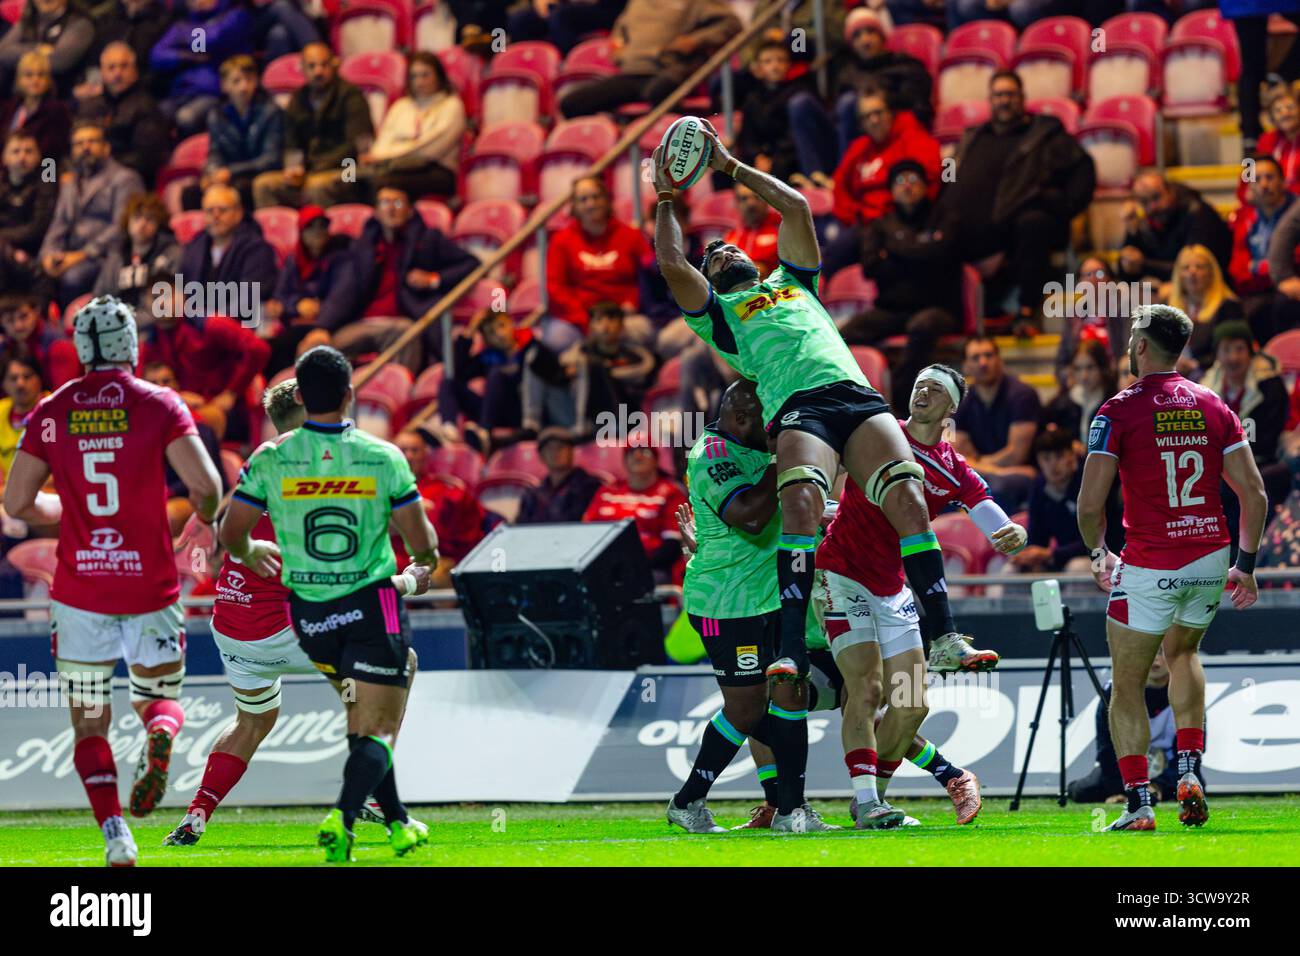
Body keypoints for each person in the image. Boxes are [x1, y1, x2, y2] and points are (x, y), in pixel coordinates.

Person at [652, 123, 974, 797]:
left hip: (853, 394)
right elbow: (673, 265)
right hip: (799, 408)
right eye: (717, 255)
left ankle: (944, 635)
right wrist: (666, 199)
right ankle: (794, 662)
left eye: (732, 243)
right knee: (800, 504)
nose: (726, 249)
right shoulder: (721, 314)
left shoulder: (794, 281)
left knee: (909, 499)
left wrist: (730, 164)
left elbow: (796, 208)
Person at [2, 294, 221, 867]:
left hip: (82, 591)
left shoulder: (52, 409)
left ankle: (116, 837)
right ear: (134, 347)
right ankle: (160, 733)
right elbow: (208, 488)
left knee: (89, 719)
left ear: (79, 348)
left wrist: (70, 509)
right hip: (148, 584)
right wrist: (200, 520)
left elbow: (18, 502)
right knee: (158, 697)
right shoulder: (161, 404)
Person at [166, 380, 429, 848]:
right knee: (393, 668)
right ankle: (368, 797)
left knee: (253, 719)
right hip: (289, 626)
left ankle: (196, 817)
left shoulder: (259, 466)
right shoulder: (328, 473)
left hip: (232, 623)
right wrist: (409, 581)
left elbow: (230, 534)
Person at [1077, 303, 1268, 831]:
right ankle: (1189, 771)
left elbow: (1090, 506)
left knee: (1128, 683)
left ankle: (1139, 803)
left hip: (1149, 563)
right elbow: (1254, 494)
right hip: (1211, 554)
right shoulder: (1215, 406)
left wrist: (1099, 554)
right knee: (1183, 654)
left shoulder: (1117, 411)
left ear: (1140, 346)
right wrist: (1245, 566)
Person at [817, 365, 1018, 823]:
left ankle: (875, 799)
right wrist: (823, 501)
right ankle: (865, 800)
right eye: (919, 384)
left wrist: (1009, 532)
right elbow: (828, 458)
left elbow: (987, 511)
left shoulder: (952, 467)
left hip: (893, 588)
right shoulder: (878, 432)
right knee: (864, 691)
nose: (923, 391)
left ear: (951, 409)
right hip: (842, 574)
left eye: (936, 389)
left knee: (911, 702)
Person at [665, 379, 838, 833]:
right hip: (727, 603)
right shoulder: (712, 456)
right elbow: (752, 516)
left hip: (767, 601)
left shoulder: (755, 447)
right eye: (770, 423)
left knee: (789, 694)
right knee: (746, 710)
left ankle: (790, 810)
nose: (776, 431)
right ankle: (690, 802)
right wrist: (786, 457)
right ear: (741, 417)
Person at [941, 71, 1096, 331]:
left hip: (1023, 227)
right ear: (989, 100)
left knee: (1031, 223)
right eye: (998, 95)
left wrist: (1063, 206)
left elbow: (1084, 170)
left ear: (1022, 98)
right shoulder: (973, 137)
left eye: (1010, 94)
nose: (1004, 100)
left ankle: (1027, 311)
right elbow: (950, 179)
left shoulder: (1045, 134)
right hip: (973, 234)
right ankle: (959, 318)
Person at [845, 158, 961, 410]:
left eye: (913, 180)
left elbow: (943, 256)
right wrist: (920, 252)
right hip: (892, 309)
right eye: (900, 181)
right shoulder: (881, 225)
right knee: (845, 332)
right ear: (891, 189)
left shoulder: (944, 217)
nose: (907, 186)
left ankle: (899, 403)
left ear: (924, 186)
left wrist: (895, 252)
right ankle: (849, 399)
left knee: (922, 326)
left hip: (937, 306)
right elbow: (870, 267)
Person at [339, 181, 480, 368]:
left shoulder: (427, 238)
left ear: (410, 210)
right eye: (384, 203)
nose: (391, 210)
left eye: (397, 203)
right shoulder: (364, 245)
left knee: (405, 334)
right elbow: (343, 291)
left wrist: (433, 279)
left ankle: (400, 392)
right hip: (363, 322)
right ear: (376, 211)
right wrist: (320, 328)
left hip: (404, 322)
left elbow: (471, 263)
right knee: (322, 350)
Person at [140, 266, 272, 441]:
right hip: (181, 412)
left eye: (169, 295)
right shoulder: (148, 343)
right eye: (155, 297)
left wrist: (231, 393)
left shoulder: (210, 324)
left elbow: (258, 349)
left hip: (224, 413)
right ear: (144, 303)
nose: (163, 302)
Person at [823, 87, 941, 277]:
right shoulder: (859, 148)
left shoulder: (913, 138)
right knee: (825, 250)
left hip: (900, 221)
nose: (874, 120)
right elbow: (840, 188)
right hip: (865, 223)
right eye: (867, 116)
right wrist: (855, 216)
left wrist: (902, 216)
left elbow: (930, 180)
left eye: (878, 112)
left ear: (890, 112)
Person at [557, 0, 740, 118]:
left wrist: (696, 40)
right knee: (571, 104)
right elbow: (620, 30)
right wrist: (619, 50)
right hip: (632, 73)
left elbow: (731, 24)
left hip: (672, 69)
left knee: (657, 92)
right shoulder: (637, 3)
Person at [252, 42, 373, 209]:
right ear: (302, 68)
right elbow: (291, 142)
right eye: (312, 66)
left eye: (324, 65)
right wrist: (294, 168)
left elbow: (356, 144)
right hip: (311, 170)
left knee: (317, 186)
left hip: (348, 168)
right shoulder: (298, 98)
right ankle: (277, 233)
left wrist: (319, 166)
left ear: (333, 65)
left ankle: (319, 234)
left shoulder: (350, 95)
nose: (318, 71)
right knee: (264, 185)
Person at [435, 308, 576, 449]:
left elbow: (554, 376)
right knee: (449, 383)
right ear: (486, 339)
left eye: (501, 326)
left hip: (525, 412)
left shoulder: (532, 346)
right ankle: (449, 430)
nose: (499, 334)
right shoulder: (489, 356)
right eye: (491, 332)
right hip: (495, 412)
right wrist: (470, 332)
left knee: (497, 374)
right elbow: (457, 371)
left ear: (511, 323)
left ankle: (484, 431)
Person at [39, 120, 144, 306]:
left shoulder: (125, 178)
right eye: (79, 144)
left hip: (106, 256)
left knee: (73, 278)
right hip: (69, 254)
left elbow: (122, 226)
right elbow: (59, 223)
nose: (85, 148)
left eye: (92, 142)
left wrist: (81, 254)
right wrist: (49, 253)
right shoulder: (70, 182)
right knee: (35, 271)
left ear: (106, 147)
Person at [1067, 650, 1186, 805]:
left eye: (1162, 652)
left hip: (1169, 770)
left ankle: (1156, 789)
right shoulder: (1114, 692)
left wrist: (1159, 785)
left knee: (1188, 786)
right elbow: (1106, 749)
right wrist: (1116, 790)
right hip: (1123, 769)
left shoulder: (1186, 692)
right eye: (1151, 651)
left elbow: (1189, 754)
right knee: (1084, 791)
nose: (1155, 659)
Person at [546, 175, 651, 345]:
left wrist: (632, 303)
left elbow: (649, 277)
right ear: (575, 206)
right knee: (556, 339)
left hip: (624, 316)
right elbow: (555, 287)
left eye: (596, 197)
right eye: (583, 199)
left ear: (606, 199)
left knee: (644, 331)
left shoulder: (631, 236)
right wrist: (585, 319)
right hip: (579, 318)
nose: (591, 204)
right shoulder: (561, 240)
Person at [1199, 321, 1291, 515]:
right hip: (1220, 463)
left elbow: (1265, 440)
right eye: (1226, 350)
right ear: (1218, 355)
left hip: (1261, 461)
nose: (1233, 358)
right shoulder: (1205, 390)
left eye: (1240, 349)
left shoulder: (1270, 387)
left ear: (1251, 352)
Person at [359, 51, 465, 201]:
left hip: (437, 170)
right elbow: (383, 141)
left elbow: (430, 149)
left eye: (425, 75)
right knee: (350, 181)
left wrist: (385, 157)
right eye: (414, 76)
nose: (420, 82)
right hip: (394, 167)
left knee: (379, 183)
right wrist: (378, 156)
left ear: (439, 76)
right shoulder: (401, 106)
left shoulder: (452, 105)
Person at [953, 335, 1041, 511]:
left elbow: (1016, 455)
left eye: (989, 355)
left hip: (1017, 475)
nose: (983, 363)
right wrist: (993, 470)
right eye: (976, 358)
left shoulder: (1022, 396)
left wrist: (978, 463)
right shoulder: (960, 401)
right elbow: (956, 456)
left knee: (996, 488)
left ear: (999, 360)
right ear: (965, 366)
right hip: (992, 473)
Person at [583, 434, 687, 584]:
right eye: (631, 452)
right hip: (604, 565)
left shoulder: (671, 492)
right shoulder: (607, 491)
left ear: (656, 459)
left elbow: (672, 547)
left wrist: (635, 567)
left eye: (644, 450)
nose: (637, 456)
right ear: (624, 460)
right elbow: (587, 533)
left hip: (650, 568)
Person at [264, 204, 354, 372]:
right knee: (266, 346)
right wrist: (297, 304)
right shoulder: (295, 259)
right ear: (301, 232)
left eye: (322, 226)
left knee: (278, 348)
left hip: (325, 323)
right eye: (310, 227)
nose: (317, 232)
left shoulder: (342, 258)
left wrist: (321, 326)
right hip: (295, 322)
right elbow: (279, 297)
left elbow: (341, 299)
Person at [392, 427, 486, 587]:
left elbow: (469, 536)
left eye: (414, 450)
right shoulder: (376, 493)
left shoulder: (448, 492)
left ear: (425, 455)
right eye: (403, 450)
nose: (408, 456)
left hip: (430, 567)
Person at [150, 0, 252, 137]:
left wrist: (182, 40)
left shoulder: (235, 15)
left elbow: (212, 39)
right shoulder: (182, 25)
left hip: (214, 93)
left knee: (186, 118)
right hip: (181, 91)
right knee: (153, 117)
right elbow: (156, 55)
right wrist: (185, 56)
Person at [75, 42, 170, 188]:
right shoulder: (89, 107)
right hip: (88, 176)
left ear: (135, 70)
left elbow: (146, 158)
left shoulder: (146, 107)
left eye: (124, 66)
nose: (117, 73)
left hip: (127, 180)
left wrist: (104, 165)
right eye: (111, 67)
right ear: (102, 72)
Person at [198, 54, 284, 212]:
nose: (244, 87)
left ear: (256, 81)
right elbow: (215, 151)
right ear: (224, 85)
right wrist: (213, 172)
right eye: (236, 81)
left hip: (256, 174)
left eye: (249, 80)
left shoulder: (270, 111)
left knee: (240, 188)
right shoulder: (216, 115)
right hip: (231, 175)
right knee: (192, 192)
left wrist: (230, 172)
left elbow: (271, 159)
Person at [1115, 170, 1232, 286]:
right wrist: (1131, 235)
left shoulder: (1198, 214)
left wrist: (1144, 265)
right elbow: (1126, 276)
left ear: (1171, 191)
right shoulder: (1145, 223)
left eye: (1156, 197)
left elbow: (1194, 270)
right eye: (1144, 202)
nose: (1152, 207)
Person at [1232, 155, 1300, 345]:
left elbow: (1296, 259)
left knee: (1282, 305)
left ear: (1283, 181)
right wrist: (1269, 270)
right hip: (1258, 291)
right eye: (1256, 179)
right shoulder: (1245, 218)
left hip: (1290, 290)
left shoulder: (1295, 210)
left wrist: (1256, 267)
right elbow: (1238, 271)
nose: (1263, 184)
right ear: (1249, 187)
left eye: (1269, 177)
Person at [732, 38, 817, 185]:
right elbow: (748, 137)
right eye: (768, 61)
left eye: (780, 60)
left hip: (788, 157)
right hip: (762, 157)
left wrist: (773, 159)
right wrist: (758, 155)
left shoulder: (799, 92)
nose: (775, 66)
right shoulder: (752, 99)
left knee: (781, 168)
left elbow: (795, 137)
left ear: (788, 65)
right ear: (758, 67)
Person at [560, 301, 655, 427]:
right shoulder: (581, 352)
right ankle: (583, 423)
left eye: (611, 319)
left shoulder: (633, 355)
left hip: (626, 415)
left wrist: (605, 370)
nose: (605, 325)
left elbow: (642, 372)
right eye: (599, 320)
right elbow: (565, 363)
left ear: (621, 326)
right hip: (585, 411)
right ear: (591, 327)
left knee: (595, 367)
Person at [1011, 427, 1089, 574]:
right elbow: (1037, 537)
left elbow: (1095, 541)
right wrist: (1028, 555)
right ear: (1039, 461)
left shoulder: (1089, 482)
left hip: (1098, 559)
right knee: (1012, 569)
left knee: (1076, 568)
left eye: (1059, 456)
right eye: (1046, 458)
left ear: (1071, 455)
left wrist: (1051, 555)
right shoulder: (1039, 486)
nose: (1053, 464)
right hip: (1059, 557)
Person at [92, 191, 181, 317]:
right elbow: (99, 296)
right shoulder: (116, 255)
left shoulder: (170, 254)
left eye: (150, 219)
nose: (142, 224)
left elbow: (164, 307)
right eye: (137, 217)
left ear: (159, 225)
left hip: (151, 327)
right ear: (127, 220)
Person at [1165, 243, 1245, 371]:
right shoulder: (1170, 308)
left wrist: (1193, 365)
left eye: (1199, 267)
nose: (1192, 272)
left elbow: (1231, 355)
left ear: (1211, 272)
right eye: (1186, 268)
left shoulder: (1229, 307)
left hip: (1211, 376)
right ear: (1178, 275)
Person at [0, 130, 56, 293]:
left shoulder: (47, 175)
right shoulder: (3, 181)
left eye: (29, 151)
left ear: (39, 156)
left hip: (33, 251)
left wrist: (2, 237)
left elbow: (39, 227)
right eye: (16, 151)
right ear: (5, 157)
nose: (22, 157)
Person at [0, 0, 95, 95]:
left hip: (62, 96)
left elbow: (59, 61)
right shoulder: (28, 20)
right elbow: (2, 51)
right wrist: (38, 49)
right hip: (22, 98)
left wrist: (17, 53)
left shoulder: (80, 23)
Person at [516, 427, 603, 523]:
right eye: (549, 448)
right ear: (541, 455)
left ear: (571, 451)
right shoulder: (533, 494)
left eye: (561, 447)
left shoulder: (588, 486)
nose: (555, 452)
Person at [0, 49, 71, 163]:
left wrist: (48, 179)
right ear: (19, 80)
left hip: (43, 172)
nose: (35, 80)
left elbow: (54, 154)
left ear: (48, 80)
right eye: (29, 75)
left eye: (41, 75)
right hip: (8, 173)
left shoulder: (57, 110)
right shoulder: (9, 108)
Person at [1041, 339, 1117, 446]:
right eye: (1078, 369)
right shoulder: (1060, 404)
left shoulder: (1115, 403)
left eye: (1090, 367)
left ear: (1102, 368)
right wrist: (1067, 444)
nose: (1084, 376)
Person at [0, 292, 80, 388]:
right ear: (1, 322)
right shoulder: (5, 347)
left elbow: (64, 396)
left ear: (36, 312)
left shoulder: (60, 347)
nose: (18, 326)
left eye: (23, 316)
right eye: (10, 320)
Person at [0, 355, 46, 477]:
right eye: (13, 378)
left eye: (27, 376)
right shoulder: (1, 411)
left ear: (40, 380)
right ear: (3, 384)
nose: (20, 384)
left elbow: (58, 467)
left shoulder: (53, 410)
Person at [722, 183, 780, 279]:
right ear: (737, 204)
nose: (751, 203)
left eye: (757, 197)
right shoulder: (730, 236)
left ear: (766, 200)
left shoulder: (781, 229)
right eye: (744, 198)